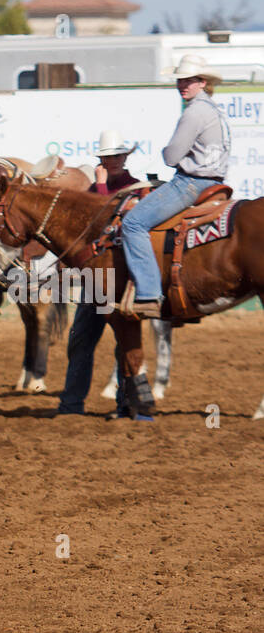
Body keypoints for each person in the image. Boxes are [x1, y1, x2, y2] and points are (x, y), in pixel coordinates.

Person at [121, 55, 230, 316]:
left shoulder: (194, 112)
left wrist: (164, 151)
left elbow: (171, 157)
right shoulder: (213, 110)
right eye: (180, 80)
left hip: (192, 182)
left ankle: (148, 294)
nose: (183, 85)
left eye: (189, 81)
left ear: (202, 82)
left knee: (133, 224)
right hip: (215, 181)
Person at [56, 129, 144, 418]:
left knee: (124, 344)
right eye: (108, 156)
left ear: (124, 157)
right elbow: (89, 228)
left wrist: (103, 187)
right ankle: (71, 404)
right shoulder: (97, 190)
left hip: (120, 280)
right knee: (81, 339)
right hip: (96, 281)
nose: (113, 160)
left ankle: (124, 403)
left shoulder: (136, 188)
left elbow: (109, 223)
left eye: (117, 155)